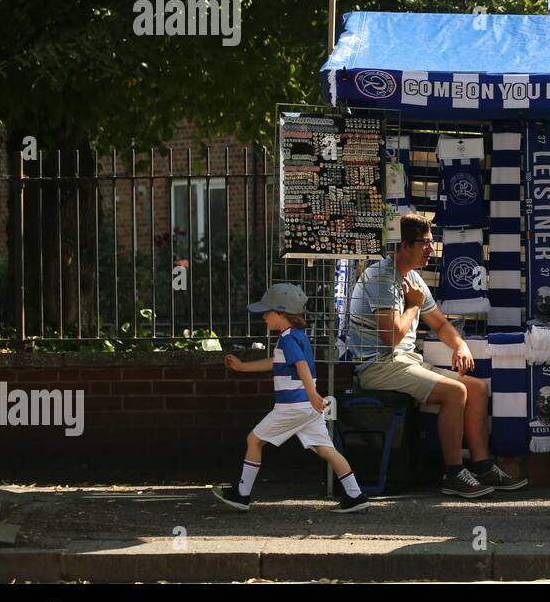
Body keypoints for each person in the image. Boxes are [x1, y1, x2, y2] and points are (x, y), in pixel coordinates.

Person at [346, 213, 527, 498]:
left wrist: (460, 346)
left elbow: (441, 324)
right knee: (455, 392)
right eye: (425, 243)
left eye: (432, 242)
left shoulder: (413, 278)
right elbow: (391, 337)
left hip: (404, 361)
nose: (432, 249)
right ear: (404, 245)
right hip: (377, 366)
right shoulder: (381, 277)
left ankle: (482, 465)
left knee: (477, 388)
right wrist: (414, 306)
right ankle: (453, 474)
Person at [215, 283, 370, 513]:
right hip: (307, 407)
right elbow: (276, 363)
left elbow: (300, 366)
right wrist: (243, 367)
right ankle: (356, 496)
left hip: (293, 406)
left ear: (281, 313)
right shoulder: (296, 336)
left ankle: (242, 494)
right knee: (326, 449)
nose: (264, 317)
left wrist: (311, 394)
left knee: (254, 440)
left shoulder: (288, 339)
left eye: (267, 312)